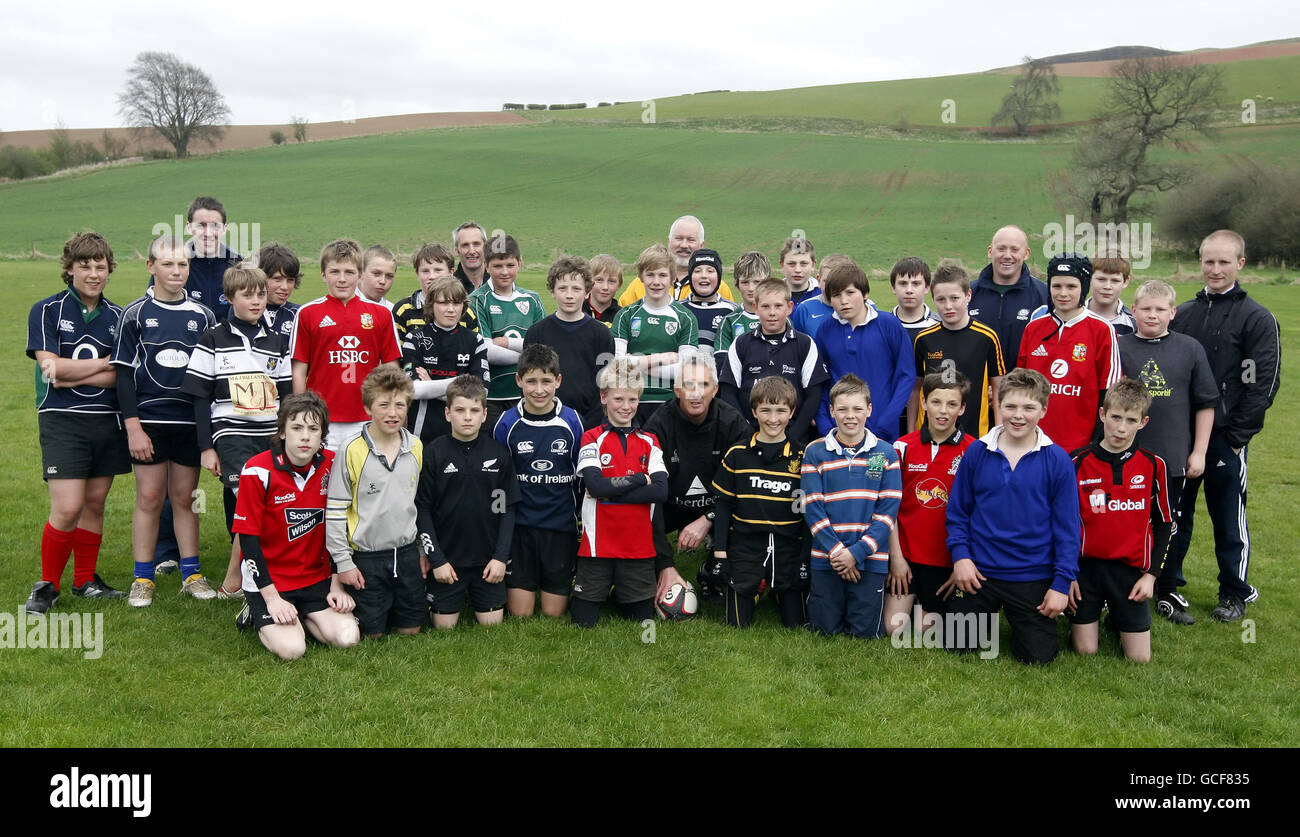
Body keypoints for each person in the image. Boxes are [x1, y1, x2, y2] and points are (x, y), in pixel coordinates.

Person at [1167, 230, 1281, 622]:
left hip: (1225, 440)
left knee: (1228, 519)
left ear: (1240, 264)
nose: (1215, 269)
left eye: (1224, 262)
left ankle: (1233, 592)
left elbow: (1262, 382)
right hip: (1180, 436)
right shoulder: (1182, 313)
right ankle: (1168, 585)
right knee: (1175, 514)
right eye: (1208, 261)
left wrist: (1237, 438)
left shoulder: (1257, 318)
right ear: (1200, 262)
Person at [943, 368, 1081, 665]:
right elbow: (957, 513)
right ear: (997, 404)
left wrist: (1060, 584)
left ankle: (1021, 620)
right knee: (958, 645)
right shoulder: (977, 452)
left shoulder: (1057, 460)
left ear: (1043, 410)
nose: (1018, 415)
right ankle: (983, 617)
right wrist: (961, 558)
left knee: (1038, 658)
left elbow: (1068, 529)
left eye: (1029, 408)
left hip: (1032, 574)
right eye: (1011, 406)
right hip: (979, 573)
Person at [23, 232, 130, 613]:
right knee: (68, 506)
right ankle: (47, 586)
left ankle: (85, 581)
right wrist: (103, 363)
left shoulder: (119, 317)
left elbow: (121, 376)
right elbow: (50, 369)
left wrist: (72, 373)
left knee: (95, 503)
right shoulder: (47, 310)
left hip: (106, 419)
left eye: (101, 266)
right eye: (85, 266)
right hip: (62, 419)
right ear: (69, 269)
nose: (94, 273)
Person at [112, 232, 218, 607]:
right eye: (168, 264)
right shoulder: (134, 314)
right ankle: (143, 577)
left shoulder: (203, 315)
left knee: (185, 498)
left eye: (183, 264)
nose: (176, 271)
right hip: (150, 421)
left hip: (189, 422)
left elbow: (208, 377)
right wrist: (133, 426)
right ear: (151, 266)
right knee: (150, 496)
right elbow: (123, 375)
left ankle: (192, 573)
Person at [183, 264, 293, 601]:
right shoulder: (212, 338)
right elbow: (199, 397)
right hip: (231, 435)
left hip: (271, 435)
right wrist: (206, 447)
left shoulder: (277, 341)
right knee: (245, 502)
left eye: (261, 294)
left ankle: (255, 573)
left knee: (269, 502)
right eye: (247, 295)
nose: (256, 301)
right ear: (230, 298)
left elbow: (287, 394)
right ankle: (240, 579)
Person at [232, 392, 361, 660]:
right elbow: (248, 539)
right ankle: (256, 608)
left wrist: (337, 585)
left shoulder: (334, 464)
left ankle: (301, 613)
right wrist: (271, 598)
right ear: (282, 432)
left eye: (313, 429)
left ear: (322, 434)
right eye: (297, 428)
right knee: (292, 650)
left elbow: (339, 526)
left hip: (315, 577)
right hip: (271, 579)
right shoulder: (257, 470)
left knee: (348, 638)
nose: (305, 436)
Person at [1118, 279, 1218, 625]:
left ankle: (1166, 589)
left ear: (1172, 313)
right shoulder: (1119, 347)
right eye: (1145, 308)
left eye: (1160, 309)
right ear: (1133, 310)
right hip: (1127, 457)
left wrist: (1199, 452)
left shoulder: (1190, 349)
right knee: (1126, 522)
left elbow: (1206, 405)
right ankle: (1121, 587)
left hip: (1173, 459)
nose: (1152, 314)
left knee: (1170, 525)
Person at [1068, 379, 1173, 663]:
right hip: (1085, 571)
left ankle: (1118, 618)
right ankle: (1091, 615)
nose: (1121, 428)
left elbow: (1165, 523)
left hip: (1130, 573)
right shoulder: (1076, 462)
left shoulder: (1154, 465)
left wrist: (1151, 576)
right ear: (1103, 414)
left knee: (1139, 659)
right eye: (1115, 417)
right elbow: (1062, 523)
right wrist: (1067, 575)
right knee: (1085, 651)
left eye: (1131, 420)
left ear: (1144, 422)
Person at [326, 366, 424, 638]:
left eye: (400, 405)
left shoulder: (416, 446)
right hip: (367, 557)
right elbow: (335, 512)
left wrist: (422, 551)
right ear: (368, 408)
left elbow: (417, 503)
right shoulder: (351, 448)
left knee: (411, 629)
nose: (392, 413)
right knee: (371, 633)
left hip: (405, 553)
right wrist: (344, 563)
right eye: (383, 405)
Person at [643, 353, 750, 603]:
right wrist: (665, 564)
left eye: (703, 385)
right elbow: (649, 495)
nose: (695, 393)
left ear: (714, 390)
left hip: (717, 509)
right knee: (639, 510)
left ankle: (713, 567)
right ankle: (661, 568)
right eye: (688, 385)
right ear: (677, 389)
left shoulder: (733, 423)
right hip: (669, 505)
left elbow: (742, 488)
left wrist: (708, 518)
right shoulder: (658, 425)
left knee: (749, 509)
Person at [801, 374, 901, 638]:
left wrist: (855, 554)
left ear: (869, 409)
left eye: (857, 408)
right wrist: (838, 553)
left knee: (865, 633)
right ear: (831, 411)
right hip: (827, 558)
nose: (850, 416)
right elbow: (813, 508)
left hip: (870, 559)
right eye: (842, 409)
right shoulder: (815, 453)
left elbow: (888, 512)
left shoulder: (887, 453)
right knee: (825, 631)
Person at [571, 358, 668, 627]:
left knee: (641, 622)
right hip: (596, 546)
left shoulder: (650, 441)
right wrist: (640, 478)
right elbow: (595, 486)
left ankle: (621, 592)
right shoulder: (591, 437)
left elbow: (660, 492)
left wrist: (610, 493)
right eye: (618, 399)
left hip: (638, 547)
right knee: (583, 623)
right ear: (603, 397)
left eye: (632, 400)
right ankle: (608, 590)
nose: (626, 407)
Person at [417, 375, 519, 628]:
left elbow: (506, 510)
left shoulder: (498, 455)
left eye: (474, 410)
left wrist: (500, 558)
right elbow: (423, 510)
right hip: (448, 563)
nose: (467, 417)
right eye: (460, 410)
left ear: (484, 414)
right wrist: (437, 560)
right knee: (444, 626)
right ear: (447, 413)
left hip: (487, 562)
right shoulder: (433, 454)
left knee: (492, 624)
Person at [709, 376, 809, 628]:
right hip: (745, 547)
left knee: (796, 624)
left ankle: (777, 588)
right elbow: (723, 505)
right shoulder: (737, 454)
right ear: (753, 411)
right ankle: (752, 588)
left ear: (792, 412)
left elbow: (811, 511)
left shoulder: (803, 456)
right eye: (765, 410)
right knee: (736, 623)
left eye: (780, 410)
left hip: (789, 548)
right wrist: (720, 553)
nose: (773, 418)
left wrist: (805, 557)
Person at [494, 344, 584, 618]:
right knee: (521, 614)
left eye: (546, 381)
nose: (539, 389)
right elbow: (498, 483)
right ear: (519, 381)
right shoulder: (506, 424)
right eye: (531, 381)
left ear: (558, 381)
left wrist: (580, 520)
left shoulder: (573, 421)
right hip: (521, 529)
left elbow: (581, 476)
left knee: (553, 613)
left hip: (560, 527)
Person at [289, 238, 402, 452]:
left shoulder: (381, 314)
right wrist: (302, 412)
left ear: (359, 275)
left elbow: (391, 369)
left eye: (349, 272)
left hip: (368, 416)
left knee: (365, 482)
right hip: (321, 418)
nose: (342, 279)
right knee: (324, 482)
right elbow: (299, 369)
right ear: (323, 274)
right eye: (334, 272)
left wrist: (390, 409)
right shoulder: (307, 313)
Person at [886, 372, 974, 636]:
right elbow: (888, 507)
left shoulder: (974, 451)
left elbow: (976, 513)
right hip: (907, 557)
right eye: (936, 402)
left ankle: (927, 608)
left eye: (951, 404)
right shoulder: (901, 446)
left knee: (927, 631)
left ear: (963, 408)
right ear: (923, 403)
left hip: (945, 559)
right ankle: (911, 601)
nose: (943, 411)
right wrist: (896, 560)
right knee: (894, 629)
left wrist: (961, 561)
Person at [1016, 254, 1120, 454]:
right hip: (1033, 441)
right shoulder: (1034, 328)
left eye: (1071, 286)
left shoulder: (1102, 330)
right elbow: (1019, 385)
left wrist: (1098, 439)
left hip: (1081, 445)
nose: (1063, 293)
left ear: (1084, 287)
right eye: (1056, 286)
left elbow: (1110, 392)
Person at [718, 278, 828, 445]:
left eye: (778, 306)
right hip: (748, 437)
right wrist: (747, 434)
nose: (772, 313)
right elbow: (728, 392)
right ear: (755, 308)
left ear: (789, 308)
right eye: (765, 306)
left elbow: (813, 395)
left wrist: (793, 436)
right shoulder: (741, 343)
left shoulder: (805, 344)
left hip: (793, 437)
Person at [814, 260, 914, 443]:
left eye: (850, 293)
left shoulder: (889, 325)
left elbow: (906, 376)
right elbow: (820, 382)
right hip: (838, 433)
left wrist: (886, 422)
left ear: (865, 293)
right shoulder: (825, 330)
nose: (844, 301)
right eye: (836, 295)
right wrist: (825, 426)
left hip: (883, 434)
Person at [909, 260, 1005, 437]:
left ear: (968, 295)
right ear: (933, 300)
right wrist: (911, 434)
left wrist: (999, 433)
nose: (948, 306)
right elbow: (915, 390)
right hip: (930, 435)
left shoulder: (987, 337)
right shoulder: (923, 339)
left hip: (975, 435)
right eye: (941, 299)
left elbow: (999, 389)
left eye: (954, 298)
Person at [612, 243, 700, 425]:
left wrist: (635, 363)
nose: (656, 282)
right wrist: (664, 357)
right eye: (650, 275)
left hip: (671, 403)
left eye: (662, 275)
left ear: (672, 278)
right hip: (631, 403)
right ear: (641, 277)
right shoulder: (625, 315)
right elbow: (617, 366)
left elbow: (684, 372)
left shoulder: (686, 318)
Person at [523, 254, 614, 424]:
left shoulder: (601, 334)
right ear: (552, 291)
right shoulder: (537, 333)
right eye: (563, 288)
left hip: (591, 422)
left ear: (587, 292)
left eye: (576, 289)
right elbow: (529, 380)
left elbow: (606, 383)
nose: (569, 295)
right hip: (547, 421)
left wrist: (591, 423)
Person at [401, 276, 490, 443]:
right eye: (443, 303)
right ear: (431, 305)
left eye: (456, 303)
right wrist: (464, 381)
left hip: (463, 433)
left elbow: (482, 392)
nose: (450, 309)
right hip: (423, 433)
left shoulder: (475, 340)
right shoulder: (414, 338)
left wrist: (431, 387)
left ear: (463, 307)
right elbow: (414, 390)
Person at [468, 234, 545, 427]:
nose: (504, 272)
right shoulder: (477, 300)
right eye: (497, 266)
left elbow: (544, 347)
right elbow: (486, 350)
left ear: (520, 263)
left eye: (510, 265)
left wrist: (507, 342)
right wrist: (527, 357)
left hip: (530, 394)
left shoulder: (532, 299)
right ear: (486, 265)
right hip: (492, 396)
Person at [969, 225, 1049, 364]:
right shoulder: (968, 294)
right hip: (978, 384)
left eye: (1015, 249)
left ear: (1026, 254)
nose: (1007, 255)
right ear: (990, 251)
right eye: (1001, 248)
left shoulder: (1044, 295)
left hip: (1024, 384)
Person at [618, 215, 736, 305]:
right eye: (678, 238)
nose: (684, 245)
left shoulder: (718, 287)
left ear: (702, 245)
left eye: (691, 240)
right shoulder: (641, 283)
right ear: (669, 242)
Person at [713, 250, 769, 363]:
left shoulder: (782, 320)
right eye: (745, 282)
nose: (751, 288)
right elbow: (722, 363)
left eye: (757, 282)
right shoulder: (729, 322)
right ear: (737, 284)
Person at [393, 241, 456, 340]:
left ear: (451, 272)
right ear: (417, 273)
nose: (431, 276)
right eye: (425, 271)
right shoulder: (403, 310)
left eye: (438, 270)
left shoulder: (463, 311)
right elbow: (398, 352)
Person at [679, 248, 738, 348]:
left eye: (710, 271)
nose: (704, 276)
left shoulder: (733, 311)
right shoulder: (678, 309)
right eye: (697, 271)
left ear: (719, 277)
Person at [790, 252, 853, 340]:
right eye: (827, 281)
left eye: (839, 281)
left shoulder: (865, 307)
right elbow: (797, 346)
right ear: (819, 279)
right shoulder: (805, 309)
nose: (832, 287)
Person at [257, 242, 303, 341]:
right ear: (259, 277)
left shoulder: (299, 314)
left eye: (290, 280)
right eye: (277, 279)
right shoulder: (245, 310)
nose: (285, 287)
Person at [1084, 255, 1136, 336]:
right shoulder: (1072, 316)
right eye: (1101, 279)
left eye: (1115, 281)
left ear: (1125, 281)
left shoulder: (1133, 323)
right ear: (1090, 277)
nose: (1107, 286)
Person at [889, 256, 937, 338]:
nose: (909, 290)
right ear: (893, 288)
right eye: (903, 283)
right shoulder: (882, 326)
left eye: (916, 284)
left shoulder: (939, 325)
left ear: (927, 288)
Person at [779, 236, 821, 305]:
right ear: (782, 265)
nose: (797, 270)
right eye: (791, 263)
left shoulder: (824, 293)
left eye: (803, 263)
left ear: (813, 265)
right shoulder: (772, 295)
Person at [584, 253, 623, 326]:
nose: (605, 287)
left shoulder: (623, 317)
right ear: (588, 282)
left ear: (619, 285)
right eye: (599, 280)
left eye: (611, 281)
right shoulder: (576, 311)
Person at [357, 244, 398, 309]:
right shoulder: (343, 303)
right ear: (361, 272)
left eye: (389, 276)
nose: (383, 281)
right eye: (377, 274)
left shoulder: (392, 311)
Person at [452, 221, 488, 293]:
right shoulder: (449, 288)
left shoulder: (498, 283)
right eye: (465, 245)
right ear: (456, 251)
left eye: (476, 244)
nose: (472, 251)